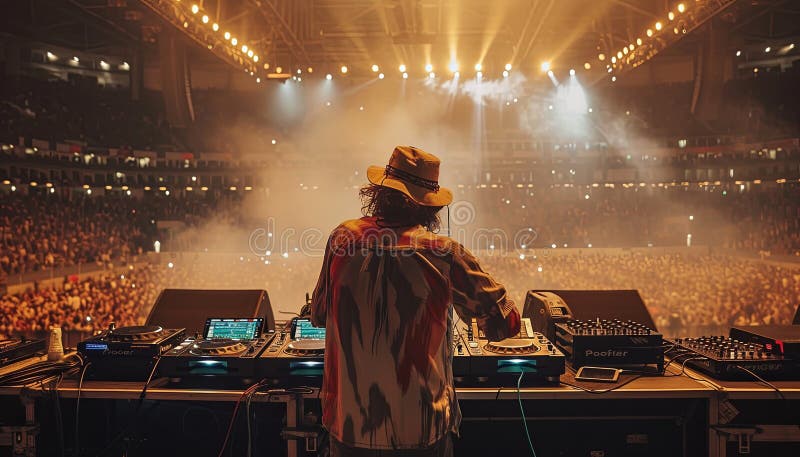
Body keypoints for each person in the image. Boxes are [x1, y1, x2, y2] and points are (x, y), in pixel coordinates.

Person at [311, 146, 521, 456]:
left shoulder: (342, 239)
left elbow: (318, 314)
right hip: (421, 429)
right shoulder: (445, 253)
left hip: (349, 426)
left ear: (378, 192)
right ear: (428, 207)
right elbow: (504, 324)